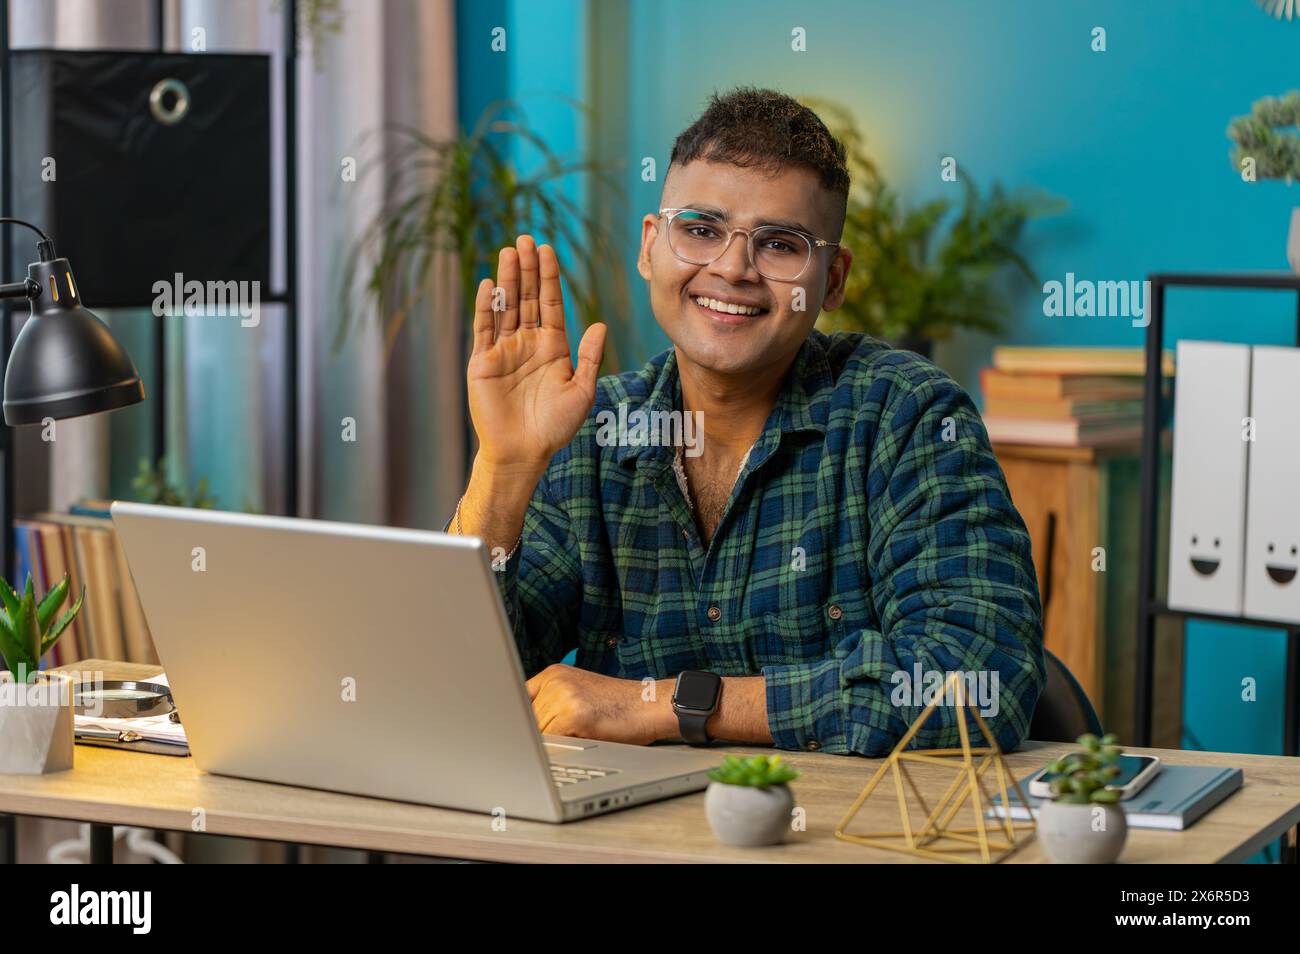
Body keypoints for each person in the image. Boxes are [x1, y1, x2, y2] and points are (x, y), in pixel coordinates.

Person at [451, 86, 1044, 756]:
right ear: (651, 247)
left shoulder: (907, 419)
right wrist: (502, 466)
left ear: (834, 278)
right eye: (700, 230)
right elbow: (454, 686)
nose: (732, 268)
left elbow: (979, 680)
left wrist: (663, 704)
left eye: (780, 244)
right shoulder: (593, 431)